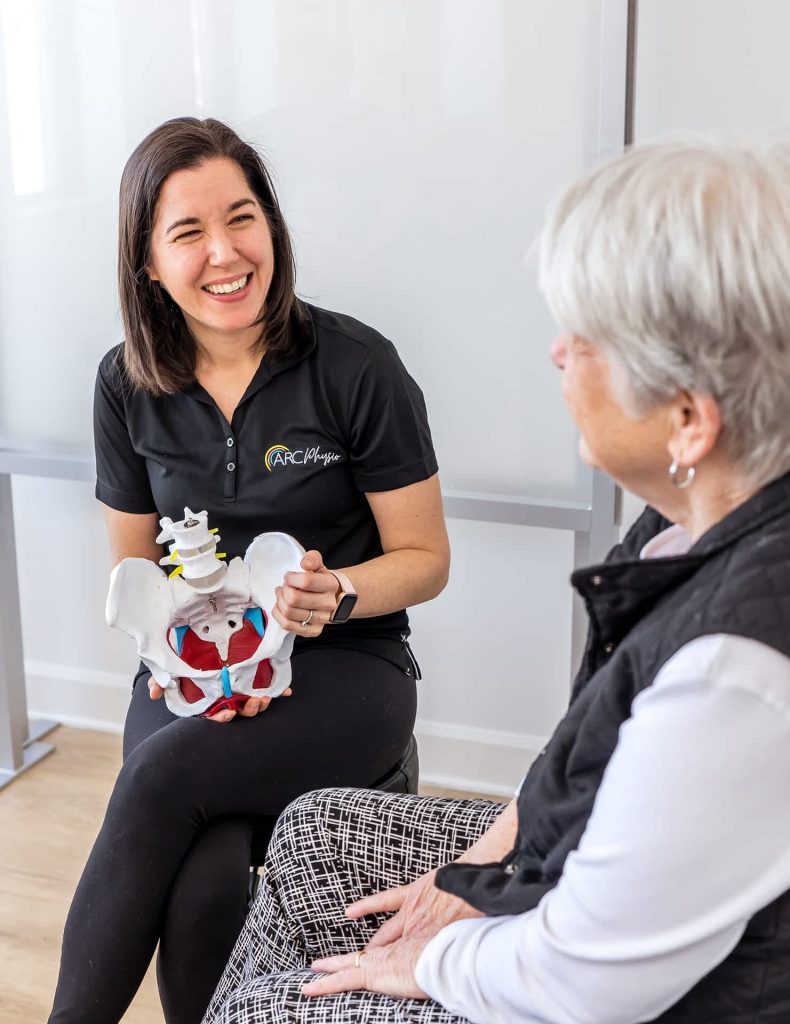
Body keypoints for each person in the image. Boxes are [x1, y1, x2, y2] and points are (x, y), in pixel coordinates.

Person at [202, 140, 790, 1024]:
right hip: (569, 879)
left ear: (688, 418)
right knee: (316, 829)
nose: (558, 353)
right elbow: (584, 745)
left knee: (279, 1006)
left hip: (619, 990)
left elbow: (586, 980)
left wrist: (441, 955)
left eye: (588, 340)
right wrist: (481, 867)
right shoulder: (679, 519)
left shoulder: (738, 668)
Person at [48, 117, 450, 1024]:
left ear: (273, 226)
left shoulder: (357, 366)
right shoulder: (126, 384)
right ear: (148, 262)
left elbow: (426, 561)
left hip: (346, 666)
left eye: (243, 218)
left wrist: (336, 591)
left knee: (155, 785)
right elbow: (133, 571)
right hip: (188, 666)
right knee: (201, 878)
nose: (225, 253)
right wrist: (201, 666)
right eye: (187, 233)